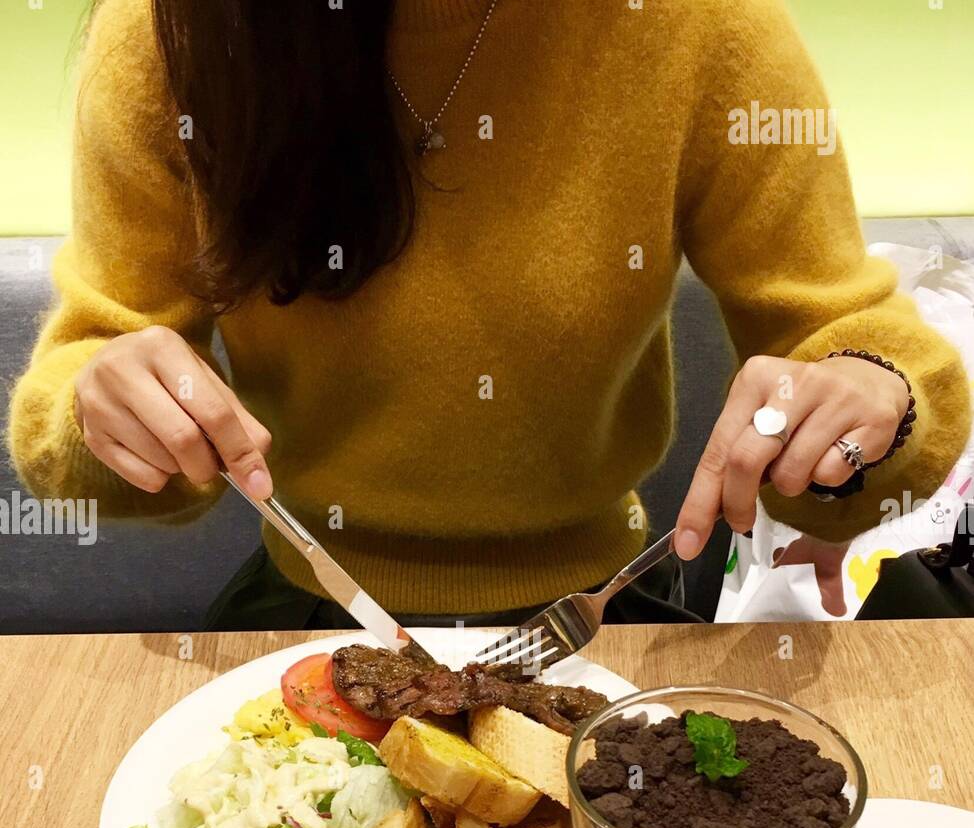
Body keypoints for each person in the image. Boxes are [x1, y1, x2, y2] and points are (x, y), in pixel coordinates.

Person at [8, 0, 970, 631]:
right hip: (299, 614)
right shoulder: (173, 33)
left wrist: (865, 400)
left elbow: (865, 349)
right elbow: (81, 394)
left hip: (603, 615)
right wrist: (108, 413)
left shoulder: (697, 28)